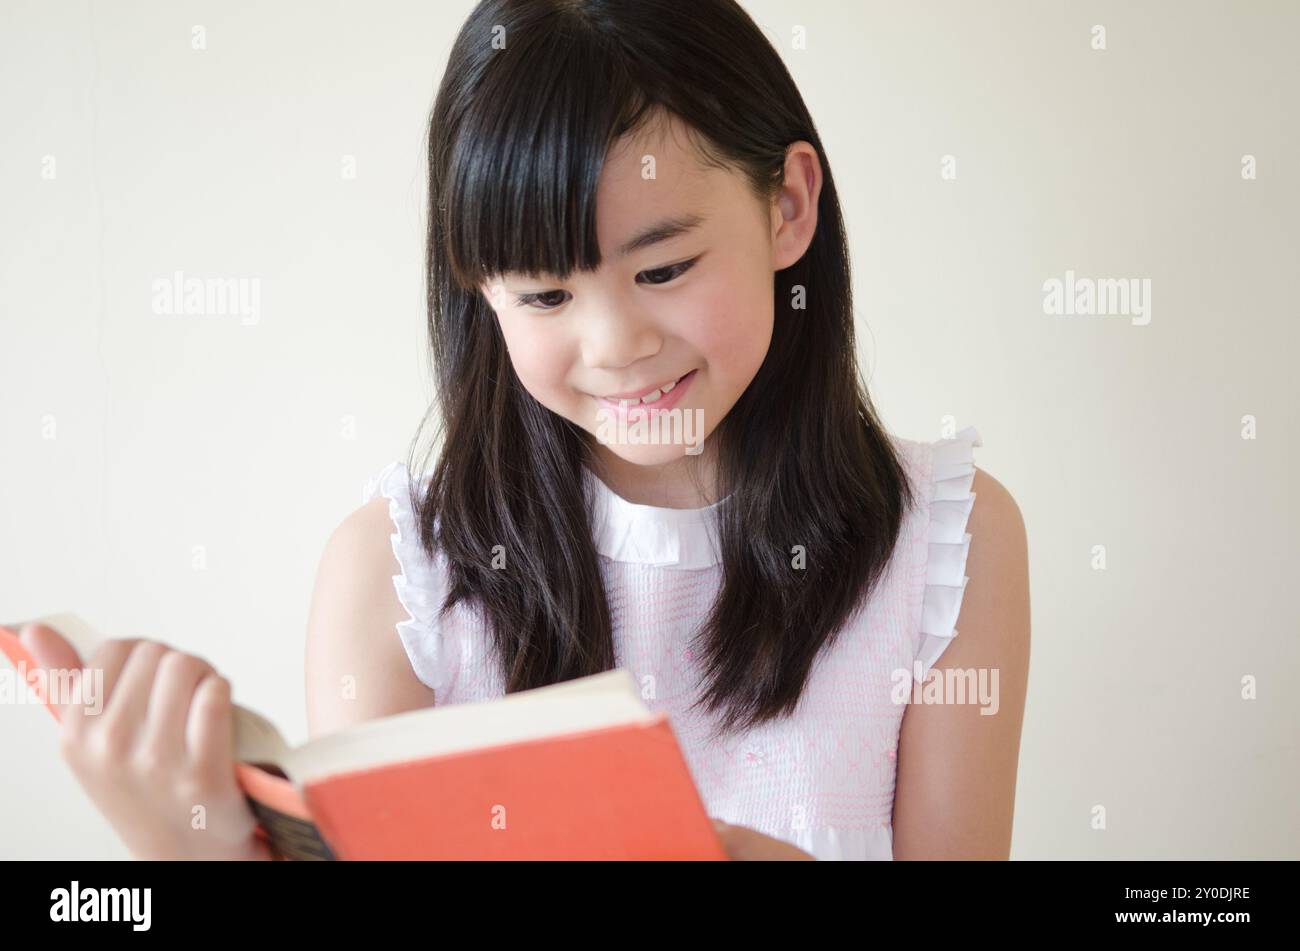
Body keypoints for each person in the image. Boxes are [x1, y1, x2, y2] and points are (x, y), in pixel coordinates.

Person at [21, 0, 1030, 860]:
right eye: (545, 295)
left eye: (664, 269)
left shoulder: (943, 539)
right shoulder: (398, 571)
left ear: (788, 206)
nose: (616, 345)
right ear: (483, 296)